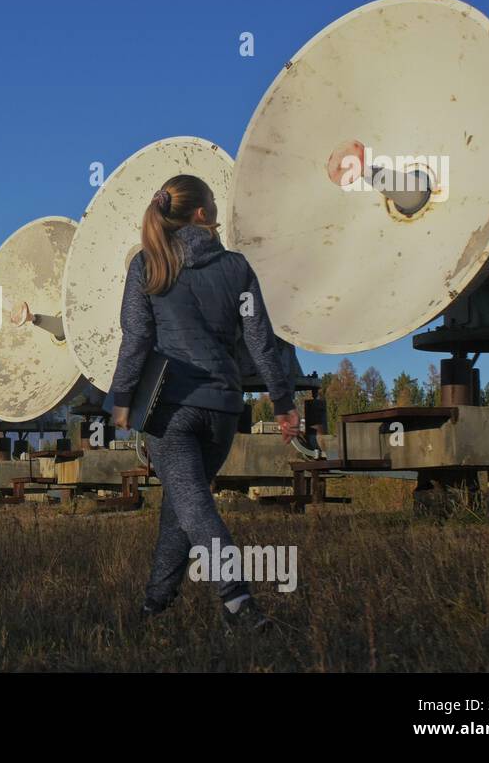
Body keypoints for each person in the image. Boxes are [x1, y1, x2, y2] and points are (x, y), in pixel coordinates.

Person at [109, 174, 298, 633]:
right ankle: (155, 605)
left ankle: (238, 601)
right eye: (213, 199)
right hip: (222, 410)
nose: (216, 205)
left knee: (194, 507)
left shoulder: (148, 265)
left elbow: (137, 339)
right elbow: (261, 342)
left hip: (169, 409)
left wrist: (120, 399)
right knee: (182, 505)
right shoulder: (237, 268)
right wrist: (282, 401)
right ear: (201, 214)